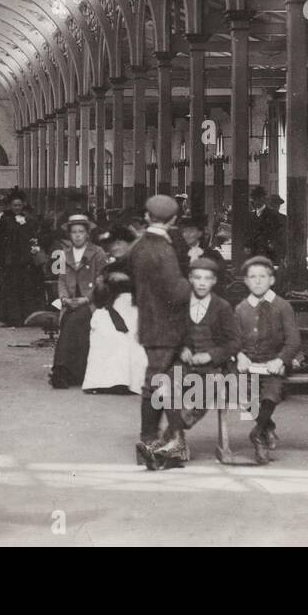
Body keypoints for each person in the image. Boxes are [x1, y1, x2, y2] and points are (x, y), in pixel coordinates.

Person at [127, 195, 193, 469]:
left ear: (146, 217)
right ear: (175, 220)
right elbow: (176, 291)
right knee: (156, 382)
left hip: (149, 322)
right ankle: (149, 441)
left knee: (161, 382)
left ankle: (168, 441)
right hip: (166, 326)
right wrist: (200, 287)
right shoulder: (163, 249)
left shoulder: (139, 245)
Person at [234, 256, 300, 464]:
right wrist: (240, 355)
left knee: (271, 393)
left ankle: (257, 434)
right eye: (252, 277)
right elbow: (233, 339)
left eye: (263, 276)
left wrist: (281, 360)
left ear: (272, 280)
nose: (258, 281)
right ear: (245, 281)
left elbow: (293, 340)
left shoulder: (282, 306)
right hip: (249, 364)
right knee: (245, 395)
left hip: (273, 362)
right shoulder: (241, 308)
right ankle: (267, 427)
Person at [174, 256, 237, 460]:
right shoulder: (181, 305)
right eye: (197, 277)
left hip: (214, 366)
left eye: (207, 278)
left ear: (215, 281)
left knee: (213, 383)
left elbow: (235, 342)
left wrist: (210, 354)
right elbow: (171, 333)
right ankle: (178, 437)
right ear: (190, 279)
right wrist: (181, 348)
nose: (202, 283)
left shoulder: (222, 307)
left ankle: (180, 425)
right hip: (186, 363)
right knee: (169, 381)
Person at [49, 214, 107, 388]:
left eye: (81, 231)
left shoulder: (98, 253)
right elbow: (61, 280)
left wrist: (86, 299)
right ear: (69, 234)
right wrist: (64, 298)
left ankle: (60, 369)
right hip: (70, 302)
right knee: (68, 320)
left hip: (92, 302)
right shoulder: (63, 254)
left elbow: (102, 280)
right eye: (73, 232)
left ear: (88, 234)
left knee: (74, 322)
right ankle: (71, 372)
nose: (77, 235)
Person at [82, 263, 146, 394]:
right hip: (111, 307)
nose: (117, 247)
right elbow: (98, 296)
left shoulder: (140, 262)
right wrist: (102, 283)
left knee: (133, 338)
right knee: (106, 333)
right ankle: (104, 382)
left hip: (135, 306)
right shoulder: (108, 268)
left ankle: (130, 382)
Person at [0, 190, 45, 328]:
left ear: (23, 205)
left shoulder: (29, 219)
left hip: (26, 260)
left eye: (19, 205)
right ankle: (13, 318)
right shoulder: (5, 219)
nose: (17, 208)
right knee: (12, 289)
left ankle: (27, 316)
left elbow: (34, 235)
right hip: (11, 260)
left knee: (26, 287)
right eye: (14, 205)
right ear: (11, 206)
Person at [178, 213, 225, 280]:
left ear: (199, 233)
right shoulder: (178, 255)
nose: (187, 235)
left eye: (191, 230)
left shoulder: (214, 256)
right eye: (184, 231)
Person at [247, 186, 285, 264]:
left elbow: (279, 234)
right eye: (253, 199)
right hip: (254, 255)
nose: (254, 202)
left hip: (270, 254)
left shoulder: (273, 215)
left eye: (257, 199)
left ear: (263, 199)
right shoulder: (250, 216)